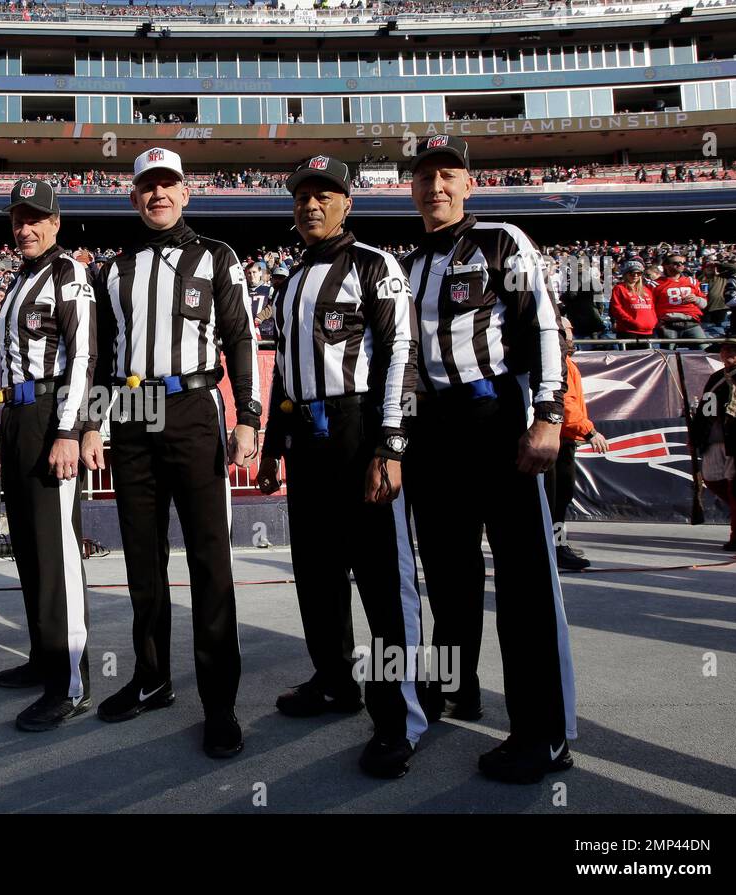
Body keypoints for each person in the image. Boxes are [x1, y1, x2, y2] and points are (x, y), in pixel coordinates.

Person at [401, 135, 578, 783]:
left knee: (525, 581)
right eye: (424, 177)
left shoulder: (502, 240)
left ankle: (544, 732)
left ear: (468, 183)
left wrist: (549, 415)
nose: (436, 186)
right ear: (410, 188)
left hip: (499, 420)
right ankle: (457, 685)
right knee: (447, 575)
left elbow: (543, 328)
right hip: (434, 433)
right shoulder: (409, 262)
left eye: (448, 175)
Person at [82, 147, 261, 758]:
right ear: (134, 196)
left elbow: (240, 336)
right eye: (147, 186)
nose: (158, 195)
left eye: (169, 185)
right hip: (133, 409)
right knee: (141, 557)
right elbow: (104, 356)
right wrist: (91, 425)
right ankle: (152, 677)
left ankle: (220, 702)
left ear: (186, 192)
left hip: (192, 404)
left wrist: (249, 418)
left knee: (210, 561)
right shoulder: (116, 266)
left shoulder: (217, 256)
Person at [255, 155, 428, 778]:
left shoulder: (375, 265)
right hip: (307, 436)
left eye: (324, 194)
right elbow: (287, 376)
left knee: (382, 582)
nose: (311, 205)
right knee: (316, 571)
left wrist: (391, 444)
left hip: (360, 433)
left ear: (347, 202)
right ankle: (334, 681)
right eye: (302, 194)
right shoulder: (292, 276)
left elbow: (401, 357)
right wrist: (275, 446)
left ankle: (398, 718)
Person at [0, 179, 97, 730]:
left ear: (56, 222)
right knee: (29, 549)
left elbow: (83, 358)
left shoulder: (69, 274)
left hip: (50, 413)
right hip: (17, 417)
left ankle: (71, 681)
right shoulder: (18, 280)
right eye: (18, 219)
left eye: (36, 218)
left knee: (56, 550)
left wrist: (69, 431)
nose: (25, 228)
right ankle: (44, 656)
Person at [547, 318, 610, 571]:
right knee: (558, 500)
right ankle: (557, 548)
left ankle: (556, 547)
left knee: (556, 500)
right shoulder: (561, 363)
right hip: (559, 439)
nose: (571, 336)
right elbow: (566, 403)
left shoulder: (564, 361)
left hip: (559, 437)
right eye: (568, 331)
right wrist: (589, 430)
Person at [692, 336, 736, 552]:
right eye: (725, 349)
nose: (728, 353)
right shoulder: (716, 377)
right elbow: (705, 410)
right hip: (714, 439)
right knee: (712, 480)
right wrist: (694, 437)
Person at [652, 252, 708, 348]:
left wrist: (696, 299)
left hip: (691, 322)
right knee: (668, 354)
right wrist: (657, 323)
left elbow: (704, 304)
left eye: (682, 263)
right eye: (676, 263)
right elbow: (650, 306)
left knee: (705, 350)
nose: (680, 265)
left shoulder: (692, 281)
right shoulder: (655, 285)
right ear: (666, 266)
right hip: (668, 325)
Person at [607, 259, 656, 346]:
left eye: (639, 273)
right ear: (626, 274)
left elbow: (652, 308)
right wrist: (632, 322)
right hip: (629, 330)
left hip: (648, 330)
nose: (635, 275)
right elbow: (616, 308)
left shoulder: (647, 290)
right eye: (632, 273)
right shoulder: (619, 288)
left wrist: (653, 321)